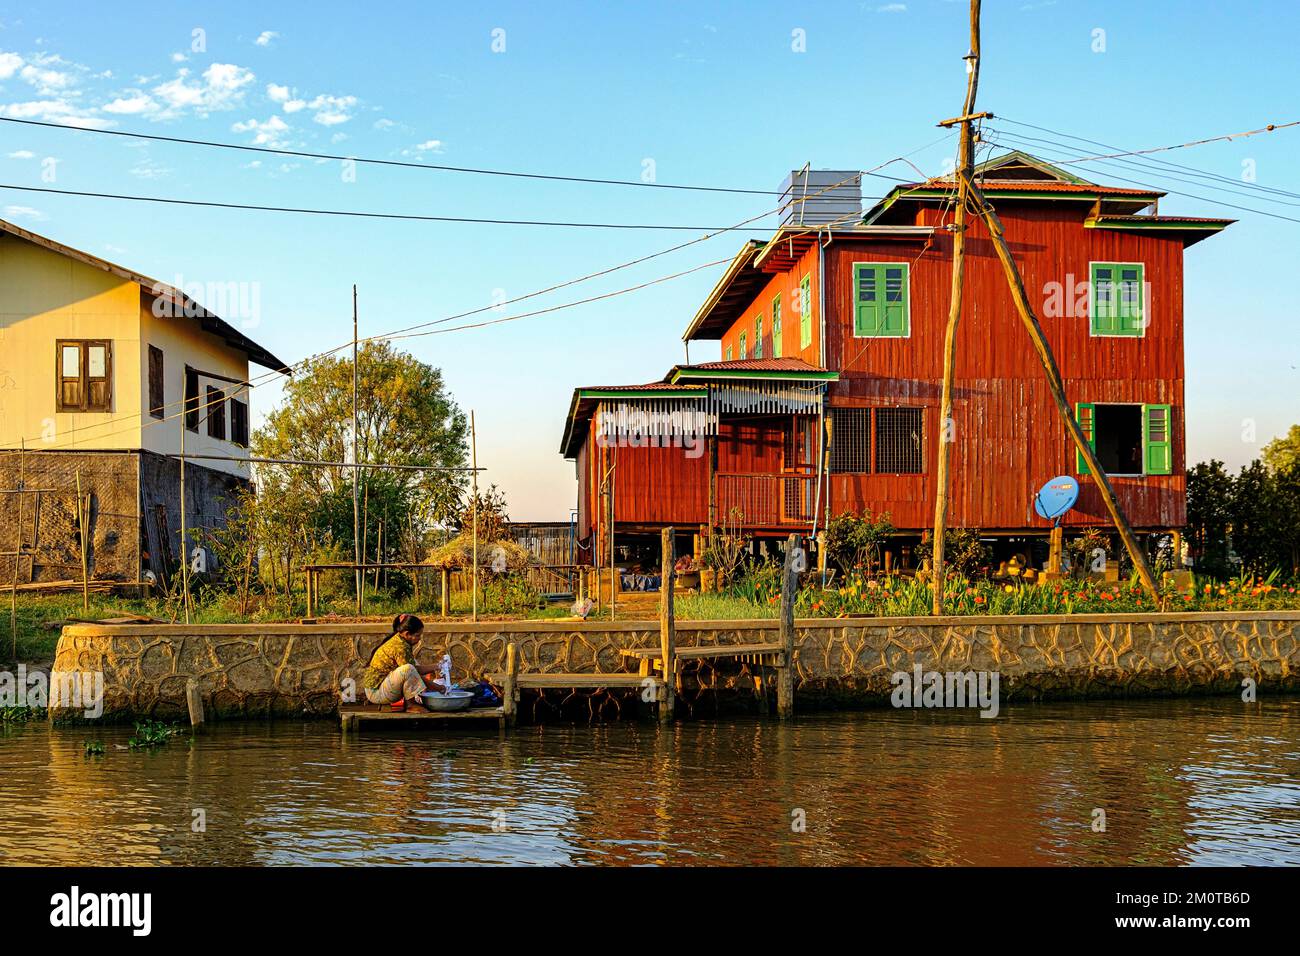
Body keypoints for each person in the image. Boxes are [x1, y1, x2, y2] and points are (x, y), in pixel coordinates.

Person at [362, 613, 443, 710]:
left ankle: (414, 700)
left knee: (412, 664)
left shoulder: (401, 640)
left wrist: (438, 666)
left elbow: (416, 671)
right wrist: (438, 688)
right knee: (408, 668)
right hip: (376, 693)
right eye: (417, 635)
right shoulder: (400, 647)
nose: (419, 639)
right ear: (407, 634)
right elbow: (413, 672)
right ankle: (411, 705)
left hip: (382, 688)